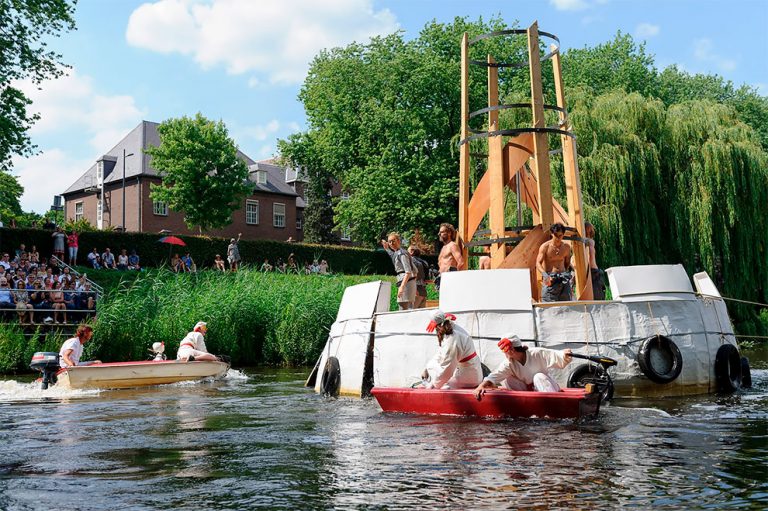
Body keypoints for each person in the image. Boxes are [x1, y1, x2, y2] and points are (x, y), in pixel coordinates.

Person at [474, 336, 573, 398]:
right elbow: (495, 375)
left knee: (538, 377)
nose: (503, 353)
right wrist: (481, 386)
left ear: (511, 350)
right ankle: (527, 404)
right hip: (530, 392)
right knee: (509, 380)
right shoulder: (508, 363)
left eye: (504, 350)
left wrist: (564, 354)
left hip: (549, 390)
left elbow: (556, 355)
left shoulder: (536, 353)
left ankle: (553, 404)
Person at [421, 310, 483, 389]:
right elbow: (441, 354)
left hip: (468, 378)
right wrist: (426, 368)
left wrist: (434, 384)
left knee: (441, 383)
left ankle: (442, 387)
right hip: (472, 372)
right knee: (431, 365)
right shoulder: (452, 328)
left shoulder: (452, 339)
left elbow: (447, 369)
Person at [536, 223, 573, 302]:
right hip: (550, 278)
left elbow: (567, 262)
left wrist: (564, 273)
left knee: (567, 305)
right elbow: (538, 263)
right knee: (548, 305)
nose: (558, 238)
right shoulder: (545, 246)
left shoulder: (566, 247)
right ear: (552, 234)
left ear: (563, 234)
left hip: (563, 278)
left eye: (561, 235)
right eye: (556, 235)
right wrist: (545, 275)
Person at [381, 232, 416, 310]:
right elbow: (415, 270)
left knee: (402, 308)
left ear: (399, 241)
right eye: (389, 241)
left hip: (406, 282)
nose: (391, 243)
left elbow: (408, 271)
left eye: (393, 240)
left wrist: (402, 287)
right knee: (409, 308)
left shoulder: (402, 254)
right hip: (409, 282)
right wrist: (386, 248)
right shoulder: (399, 252)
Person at [435, 223, 464, 290]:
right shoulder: (443, 247)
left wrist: (456, 277)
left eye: (442, 232)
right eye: (439, 232)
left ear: (449, 233)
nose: (439, 234)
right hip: (442, 277)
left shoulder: (452, 245)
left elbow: (461, 262)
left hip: (450, 277)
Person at [584, 222, 605, 300]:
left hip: (591, 270)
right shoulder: (591, 241)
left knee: (596, 293)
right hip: (593, 269)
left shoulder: (588, 241)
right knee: (597, 292)